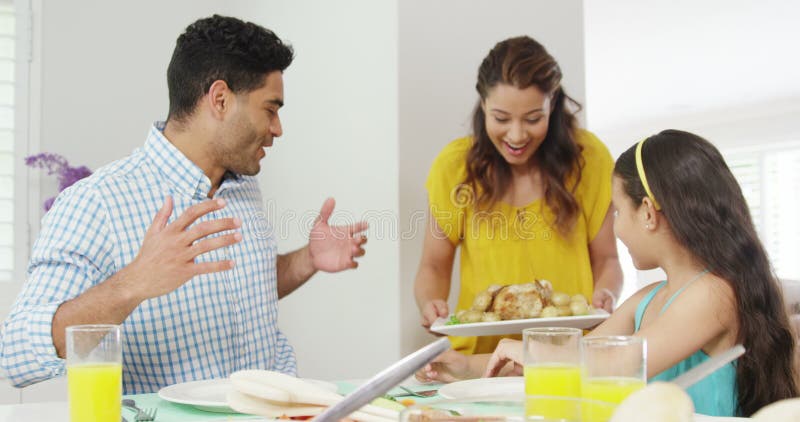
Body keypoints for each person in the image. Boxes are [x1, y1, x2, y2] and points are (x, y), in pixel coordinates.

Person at [0, 15, 368, 394]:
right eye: (270, 110)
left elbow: (242, 289)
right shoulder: (97, 202)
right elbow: (16, 353)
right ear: (220, 99)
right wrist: (133, 283)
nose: (278, 128)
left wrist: (308, 259)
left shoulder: (243, 186)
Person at [422, 130, 799, 417]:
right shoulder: (647, 299)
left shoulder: (714, 294)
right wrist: (464, 366)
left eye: (618, 211)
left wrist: (525, 348)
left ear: (647, 213)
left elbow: (620, 363)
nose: (615, 228)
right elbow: (571, 362)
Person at [414, 36, 623, 357]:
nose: (516, 135)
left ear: (552, 104)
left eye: (533, 119)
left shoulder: (589, 159)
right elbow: (434, 265)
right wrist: (431, 303)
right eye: (501, 118)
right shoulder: (454, 167)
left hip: (566, 357)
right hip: (479, 362)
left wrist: (606, 293)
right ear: (483, 105)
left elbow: (607, 258)